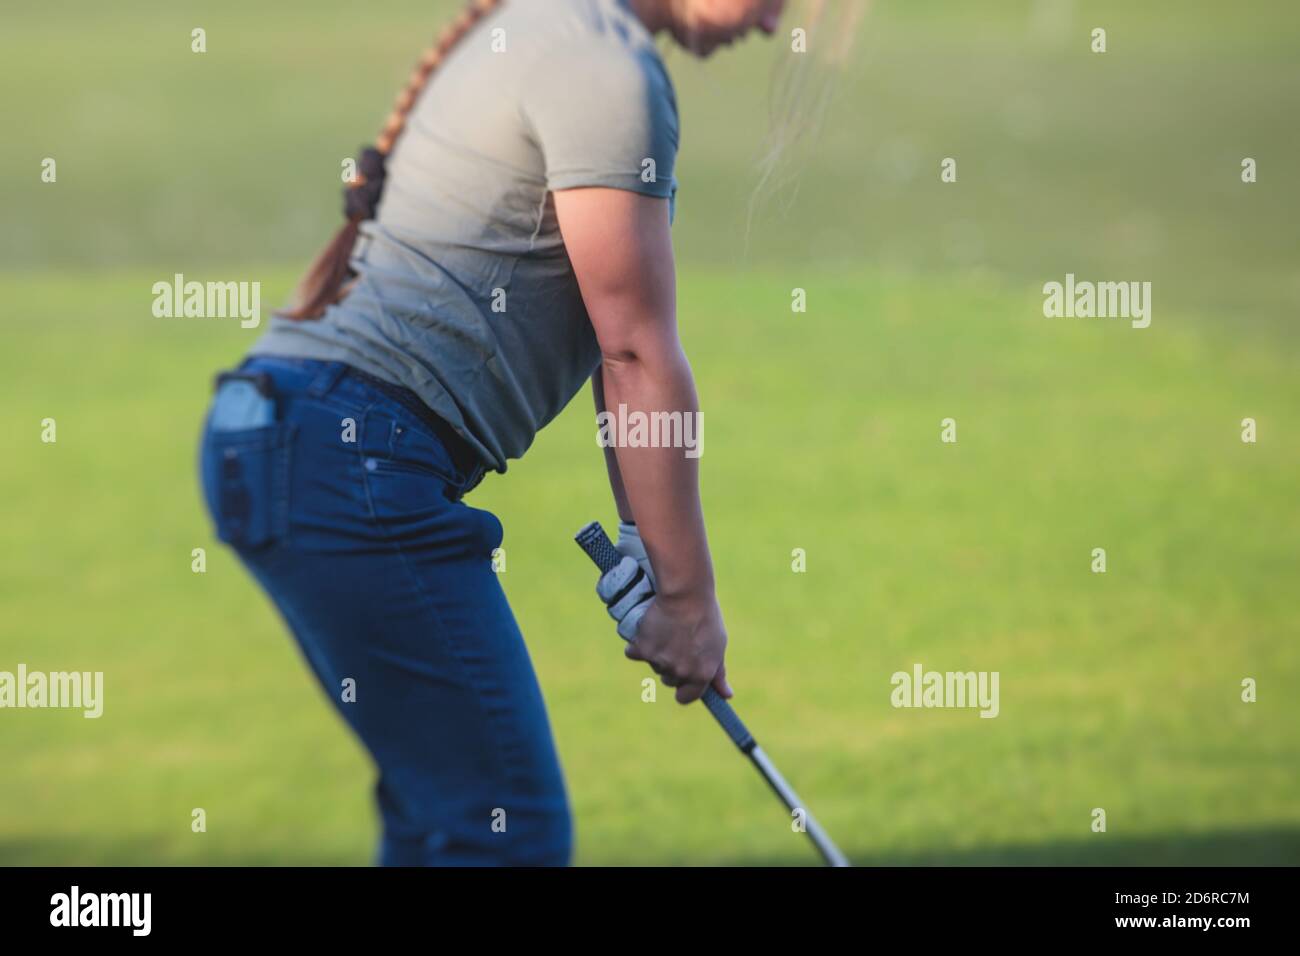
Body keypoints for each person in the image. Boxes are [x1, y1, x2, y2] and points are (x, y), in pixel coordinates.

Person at [198, 0, 793, 866]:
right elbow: (633, 349)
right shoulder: (606, 64)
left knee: (445, 826)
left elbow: (607, 341)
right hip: (347, 454)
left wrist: (651, 553)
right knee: (503, 830)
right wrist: (691, 602)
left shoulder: (562, 33)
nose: (774, 23)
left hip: (284, 437)